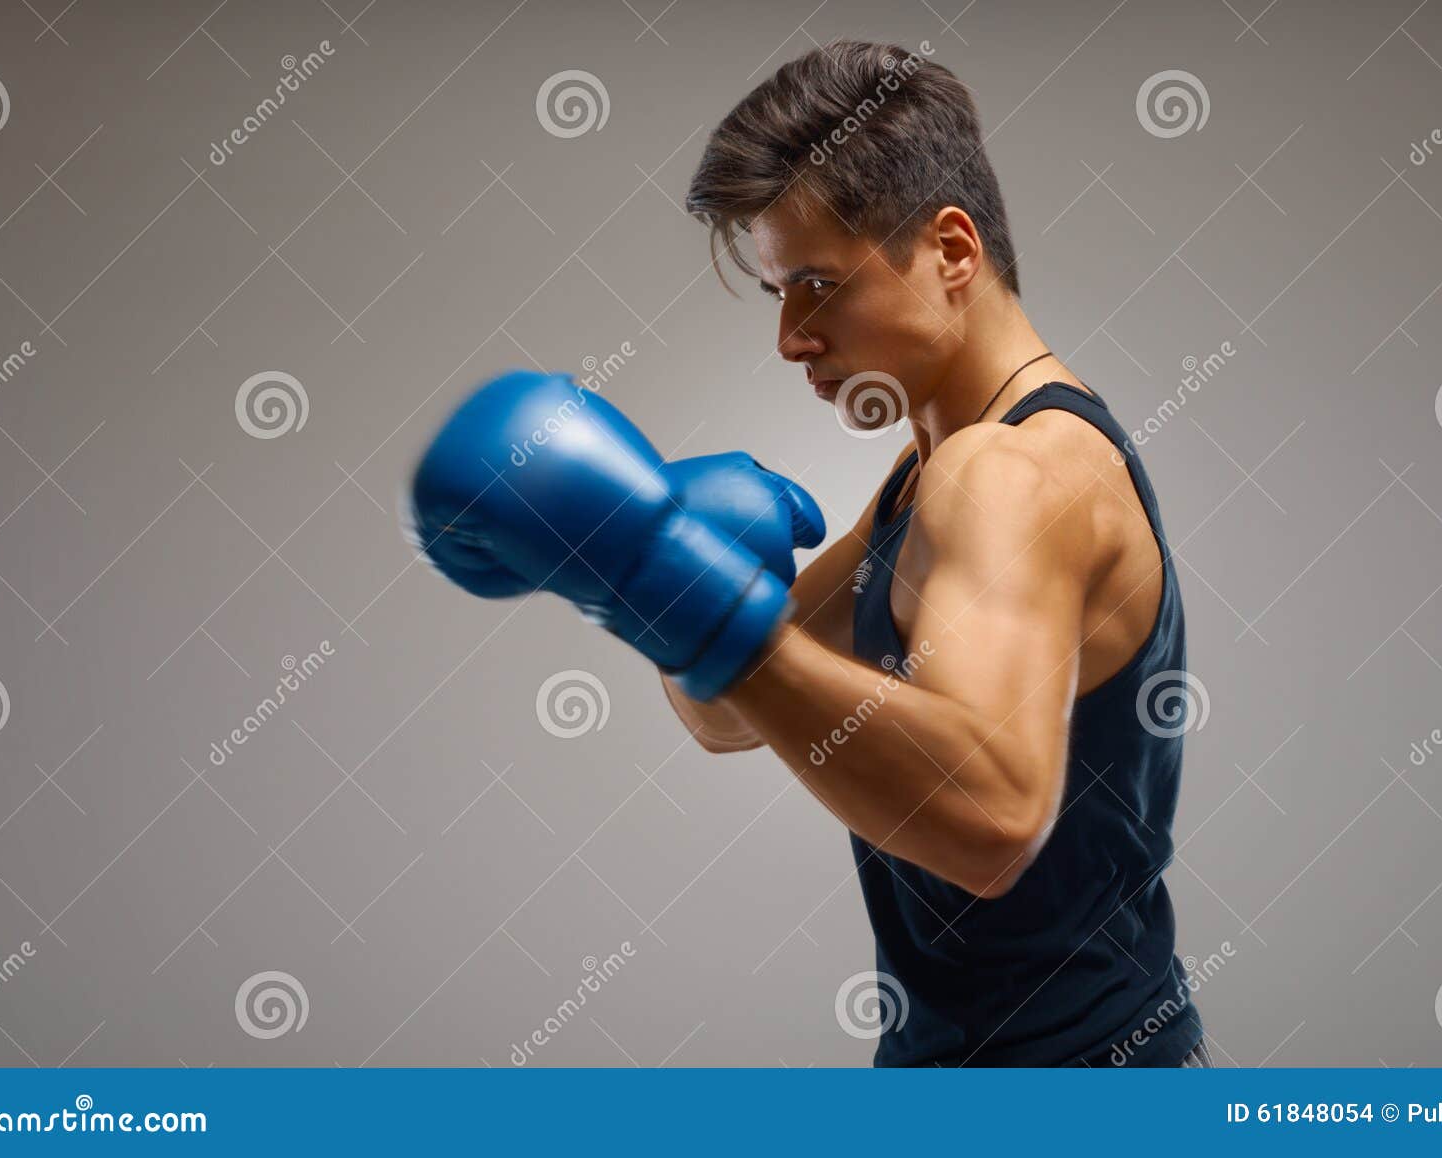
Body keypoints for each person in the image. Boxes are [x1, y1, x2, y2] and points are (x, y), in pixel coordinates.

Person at [407, 39, 1206, 1068]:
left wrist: (689, 597)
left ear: (951, 251)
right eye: (779, 292)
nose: (789, 338)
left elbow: (994, 817)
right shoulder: (935, 471)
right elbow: (727, 715)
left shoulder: (1006, 478)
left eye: (818, 285)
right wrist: (649, 578)